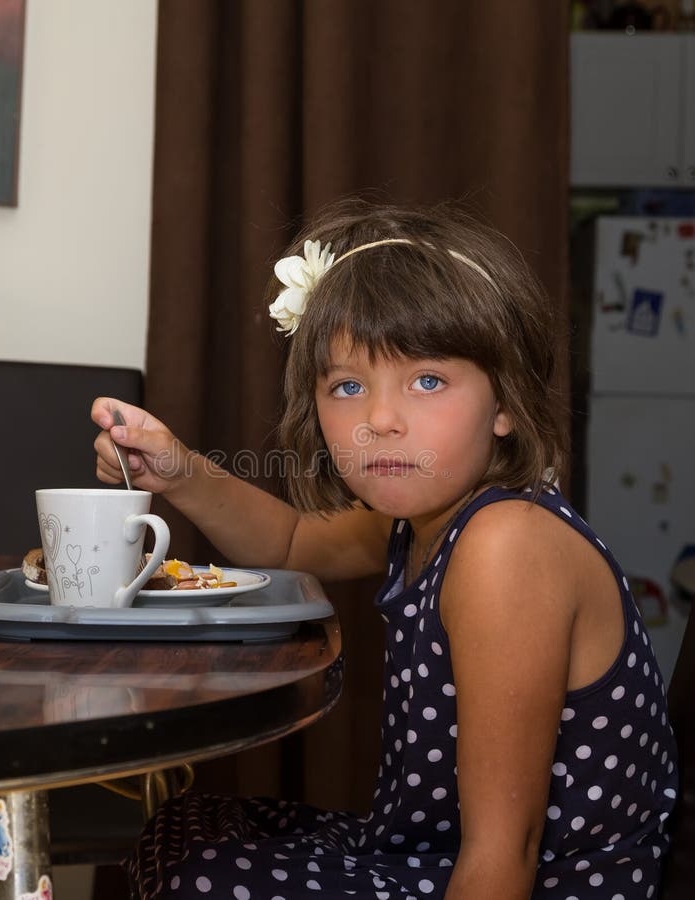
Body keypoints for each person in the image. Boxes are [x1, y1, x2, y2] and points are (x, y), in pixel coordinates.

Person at [91, 198, 678, 900]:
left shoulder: (504, 545)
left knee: (202, 878)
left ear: (505, 406)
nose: (379, 420)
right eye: (347, 386)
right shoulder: (429, 515)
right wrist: (178, 470)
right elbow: (291, 541)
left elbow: (504, 851)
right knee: (182, 829)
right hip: (426, 856)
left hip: (536, 883)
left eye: (427, 381)